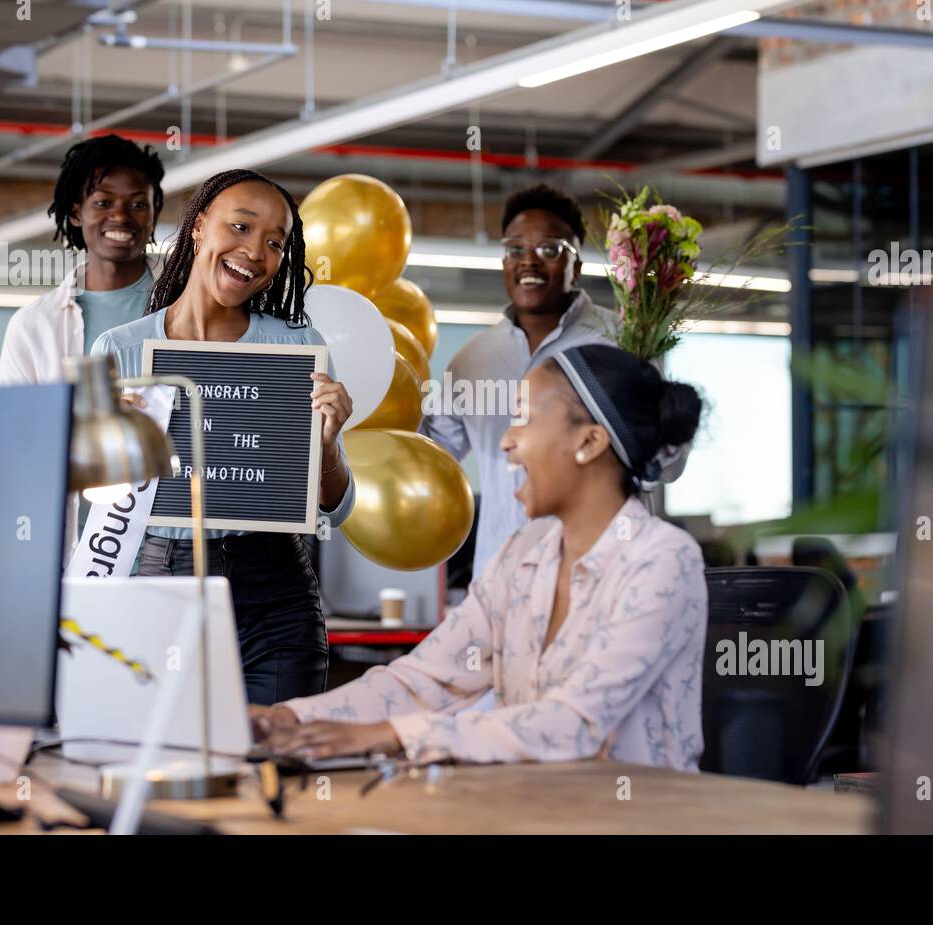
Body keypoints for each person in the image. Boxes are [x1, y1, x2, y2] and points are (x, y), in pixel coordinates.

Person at [251, 344, 707, 770]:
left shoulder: (663, 560)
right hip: (536, 814)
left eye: (523, 418)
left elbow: (573, 725)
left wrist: (391, 735)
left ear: (588, 443)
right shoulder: (524, 554)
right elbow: (427, 679)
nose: (506, 441)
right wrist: (291, 716)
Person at [90, 169, 355, 705]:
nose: (255, 251)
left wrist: (324, 444)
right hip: (157, 585)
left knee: (273, 767)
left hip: (273, 593)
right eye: (240, 226)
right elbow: (95, 505)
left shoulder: (297, 346)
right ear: (199, 227)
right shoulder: (122, 350)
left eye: (275, 242)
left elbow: (337, 507)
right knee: (165, 769)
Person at [421, 183, 685, 580]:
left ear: (576, 266)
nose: (529, 261)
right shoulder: (472, 360)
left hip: (605, 573)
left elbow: (669, 464)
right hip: (502, 579)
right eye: (515, 249)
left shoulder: (623, 341)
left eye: (549, 249)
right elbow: (430, 458)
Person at [0, 134, 165, 554]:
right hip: (85, 549)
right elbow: (13, 442)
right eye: (103, 202)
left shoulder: (187, 302)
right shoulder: (34, 326)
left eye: (137, 202)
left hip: (173, 540)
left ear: (154, 212)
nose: (121, 216)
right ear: (76, 212)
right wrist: (92, 422)